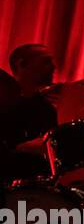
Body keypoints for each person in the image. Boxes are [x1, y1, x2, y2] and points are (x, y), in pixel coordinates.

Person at [0, 44, 58, 184]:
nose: (53, 67)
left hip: (35, 187)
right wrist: (21, 148)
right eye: (46, 61)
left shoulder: (46, 108)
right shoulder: (5, 100)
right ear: (22, 64)